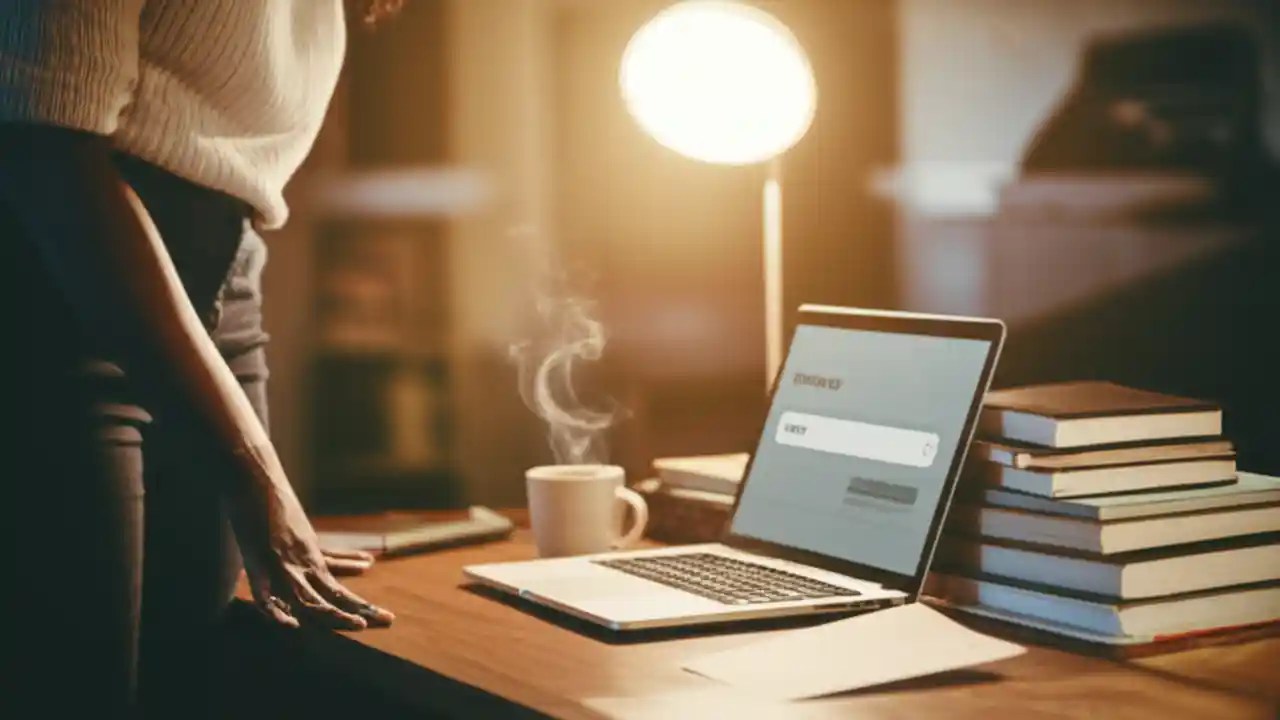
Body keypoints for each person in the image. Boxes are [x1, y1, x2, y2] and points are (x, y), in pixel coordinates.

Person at [1, 1, 401, 715]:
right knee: (78, 685)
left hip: (225, 279)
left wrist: (256, 479)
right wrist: (253, 470)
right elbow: (44, 143)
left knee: (193, 673)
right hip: (67, 276)